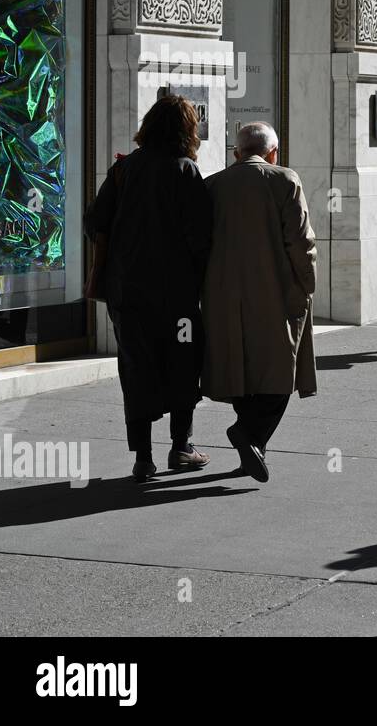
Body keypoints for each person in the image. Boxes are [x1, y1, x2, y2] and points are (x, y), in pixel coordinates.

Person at [84, 96, 212, 483]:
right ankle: (181, 447)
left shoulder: (123, 169)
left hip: (129, 293)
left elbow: (94, 221)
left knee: (136, 368)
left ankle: (143, 457)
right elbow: (201, 235)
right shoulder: (186, 171)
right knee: (182, 364)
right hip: (177, 296)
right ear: (187, 129)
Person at [201, 123, 317, 483]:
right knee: (281, 373)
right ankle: (248, 435)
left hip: (223, 295)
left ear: (236, 153)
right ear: (273, 153)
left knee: (242, 372)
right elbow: (301, 242)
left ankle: (251, 447)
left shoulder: (213, 185)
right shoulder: (284, 180)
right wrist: (307, 283)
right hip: (276, 293)